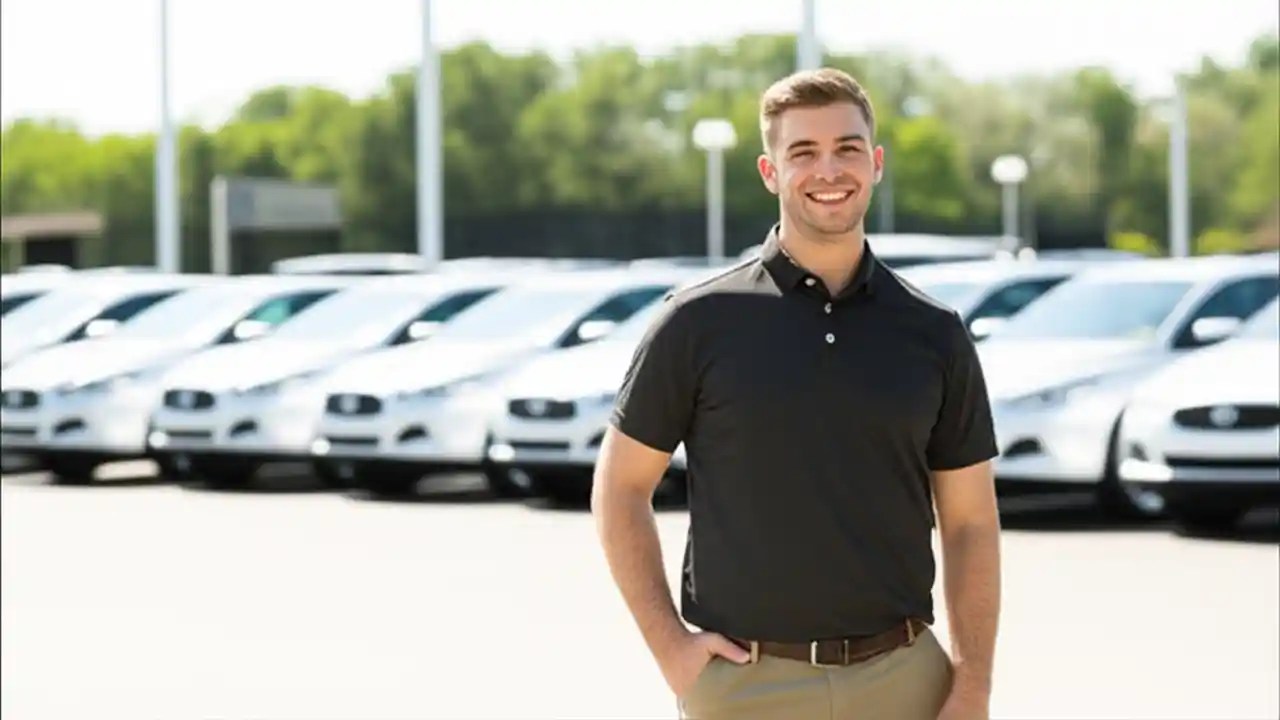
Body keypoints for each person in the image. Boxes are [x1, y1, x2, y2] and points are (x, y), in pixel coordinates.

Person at [591, 67, 1002, 720]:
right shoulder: (697, 321)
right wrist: (669, 645)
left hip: (905, 684)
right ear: (769, 172)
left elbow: (972, 523)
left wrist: (972, 682)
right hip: (747, 688)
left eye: (846, 149)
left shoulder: (935, 333)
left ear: (876, 163)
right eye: (802, 153)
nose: (828, 170)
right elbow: (619, 488)